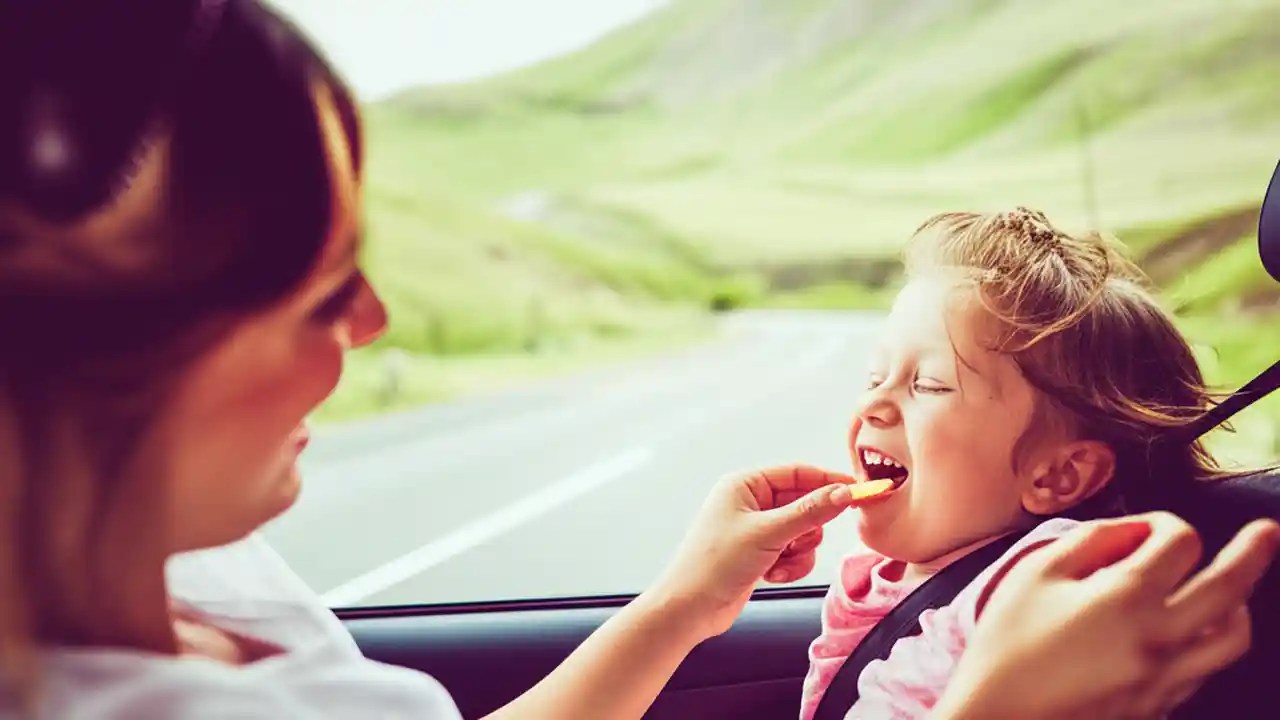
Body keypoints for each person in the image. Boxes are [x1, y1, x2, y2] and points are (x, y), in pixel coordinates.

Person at [0, 2, 1274, 719]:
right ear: (93, 349)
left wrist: (681, 607)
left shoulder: (204, 569)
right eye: (316, 291)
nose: (378, 322)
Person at [800, 207, 1269, 719]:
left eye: (929, 385)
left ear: (1058, 475)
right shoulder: (892, 572)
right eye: (875, 377)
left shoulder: (1035, 586)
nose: (873, 405)